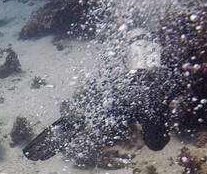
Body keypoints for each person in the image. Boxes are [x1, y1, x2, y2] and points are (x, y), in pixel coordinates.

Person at [23, 27, 175, 162]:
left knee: (110, 103)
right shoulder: (160, 57)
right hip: (145, 95)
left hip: (126, 86)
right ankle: (85, 114)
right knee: (151, 136)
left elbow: (112, 68)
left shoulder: (135, 48)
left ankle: (82, 114)